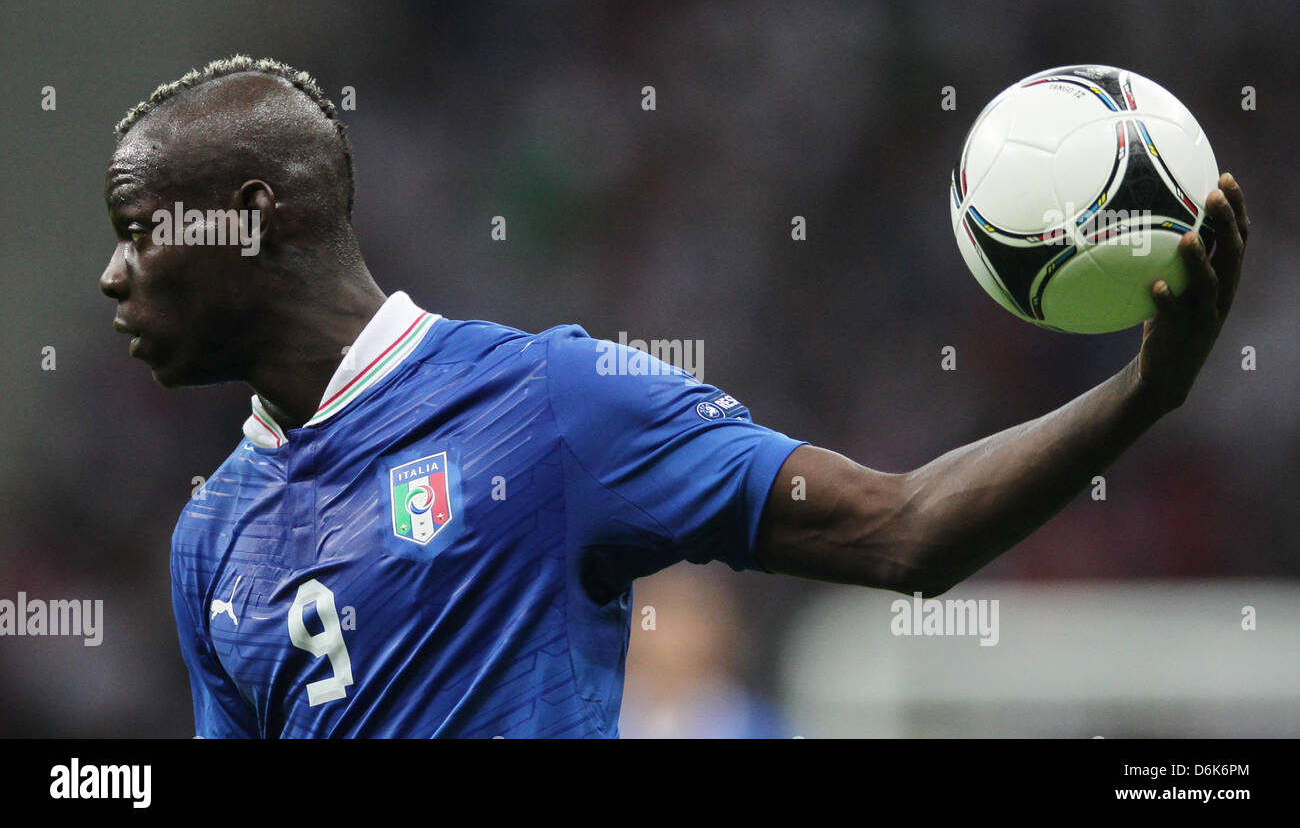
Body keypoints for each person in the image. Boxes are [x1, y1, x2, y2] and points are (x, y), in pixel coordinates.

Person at [101, 56, 1248, 738]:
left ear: (254, 217)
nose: (114, 276)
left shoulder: (550, 403)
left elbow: (901, 529)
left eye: (141, 234)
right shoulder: (212, 532)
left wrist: (1146, 390)